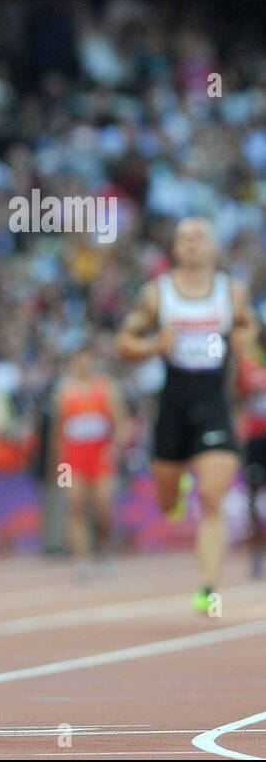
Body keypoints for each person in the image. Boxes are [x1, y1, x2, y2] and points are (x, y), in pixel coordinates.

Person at [117, 217, 255, 614]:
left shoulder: (232, 291)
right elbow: (125, 341)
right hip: (173, 403)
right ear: (175, 248)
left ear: (213, 247)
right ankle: (171, 495)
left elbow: (248, 326)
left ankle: (208, 589)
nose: (192, 243)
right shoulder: (157, 294)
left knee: (212, 497)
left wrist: (245, 337)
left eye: (200, 237)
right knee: (165, 497)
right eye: (184, 238)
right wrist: (152, 346)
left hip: (214, 401)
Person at [50, 342, 128, 581]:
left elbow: (122, 424)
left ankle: (104, 550)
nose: (82, 365)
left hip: (100, 456)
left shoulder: (106, 388)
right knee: (76, 507)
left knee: (104, 509)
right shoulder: (63, 391)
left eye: (86, 360)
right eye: (78, 361)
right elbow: (58, 431)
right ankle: (82, 560)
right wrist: (60, 466)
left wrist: (114, 448)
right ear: (72, 363)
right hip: (73, 458)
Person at [232, 322, 266, 579]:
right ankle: (256, 553)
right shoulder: (248, 364)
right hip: (255, 438)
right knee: (253, 496)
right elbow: (237, 395)